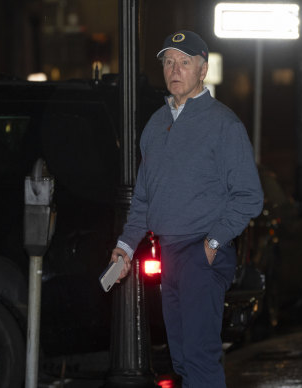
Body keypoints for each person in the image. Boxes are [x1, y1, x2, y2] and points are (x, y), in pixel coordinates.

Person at [110, 30, 263, 388]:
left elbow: (249, 196)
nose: (174, 69)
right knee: (180, 358)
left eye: (184, 62)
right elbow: (145, 198)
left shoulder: (224, 124)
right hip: (168, 255)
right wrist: (126, 247)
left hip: (201, 252)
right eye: (168, 62)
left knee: (199, 356)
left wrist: (211, 244)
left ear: (202, 69)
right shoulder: (155, 126)